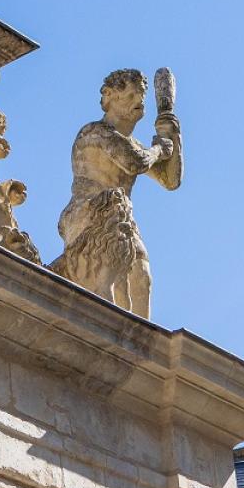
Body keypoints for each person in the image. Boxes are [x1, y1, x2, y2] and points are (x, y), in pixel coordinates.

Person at [53, 69, 182, 318]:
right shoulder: (94, 132)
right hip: (90, 212)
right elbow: (134, 162)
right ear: (109, 97)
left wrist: (172, 133)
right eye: (131, 95)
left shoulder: (133, 144)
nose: (139, 102)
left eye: (142, 96)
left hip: (122, 218)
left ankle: (143, 344)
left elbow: (170, 180)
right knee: (106, 287)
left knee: (142, 277)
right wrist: (159, 149)